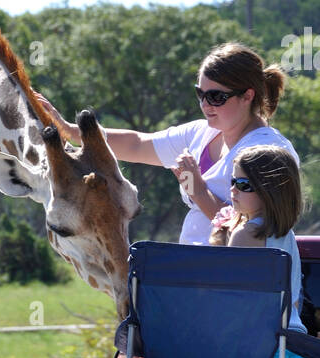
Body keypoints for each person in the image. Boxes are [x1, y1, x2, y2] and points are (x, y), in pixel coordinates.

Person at [37, 44, 299, 245]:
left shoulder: (270, 152)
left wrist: (198, 191)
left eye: (216, 96)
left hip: (237, 286)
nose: (205, 105)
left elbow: (263, 232)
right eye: (201, 94)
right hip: (199, 276)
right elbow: (139, 144)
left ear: (247, 96)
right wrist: (74, 132)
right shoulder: (201, 132)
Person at [209, 145, 311, 358]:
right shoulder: (287, 236)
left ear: (270, 189)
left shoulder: (246, 234)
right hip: (296, 353)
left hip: (259, 354)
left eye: (244, 184)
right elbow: (294, 300)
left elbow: (231, 301)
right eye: (232, 181)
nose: (233, 189)